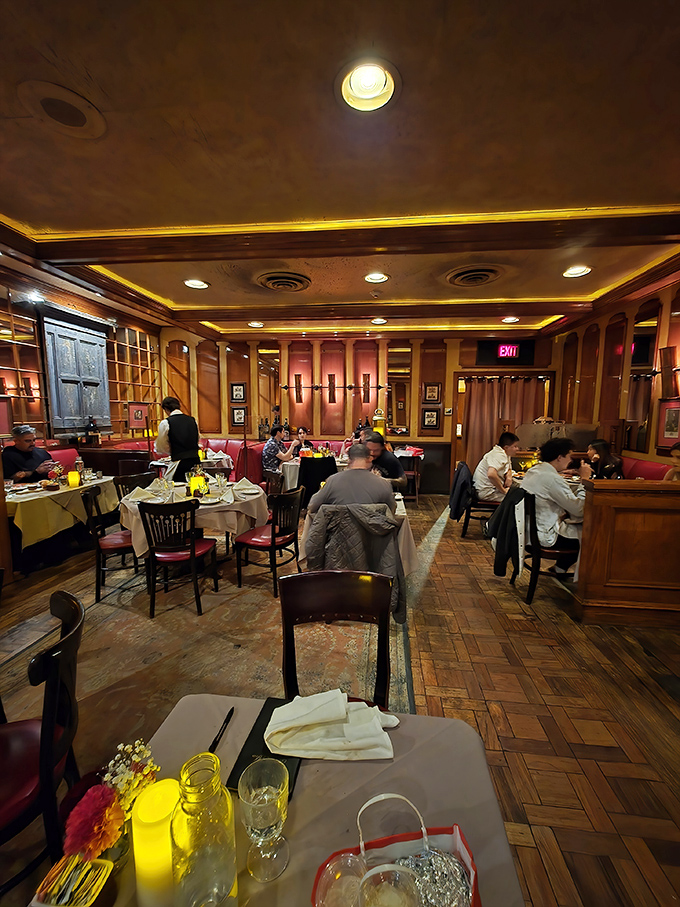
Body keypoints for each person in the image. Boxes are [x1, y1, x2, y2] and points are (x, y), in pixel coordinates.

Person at [521, 438, 591, 573]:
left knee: (579, 529)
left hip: (528, 531)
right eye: (569, 456)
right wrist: (584, 481)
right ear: (559, 457)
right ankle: (562, 570)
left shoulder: (534, 471)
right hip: (543, 535)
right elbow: (579, 510)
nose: (570, 460)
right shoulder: (552, 479)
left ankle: (559, 569)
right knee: (589, 537)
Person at [308, 443, 396, 514]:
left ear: (349, 460)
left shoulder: (332, 481)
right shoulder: (383, 483)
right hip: (372, 535)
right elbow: (392, 511)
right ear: (369, 459)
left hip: (337, 535)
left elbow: (312, 506)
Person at [155, 396, 201, 482]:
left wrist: (173, 452)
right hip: (195, 462)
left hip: (178, 464)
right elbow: (197, 439)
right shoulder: (192, 420)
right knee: (196, 489)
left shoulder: (166, 423)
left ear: (166, 409)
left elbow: (161, 447)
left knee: (177, 490)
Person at [472, 432, 521, 502]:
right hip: (488, 492)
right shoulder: (498, 455)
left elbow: (508, 468)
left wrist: (509, 477)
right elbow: (491, 474)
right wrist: (504, 491)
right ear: (506, 447)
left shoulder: (505, 453)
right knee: (519, 499)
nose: (517, 449)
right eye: (515, 446)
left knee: (520, 490)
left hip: (493, 489)